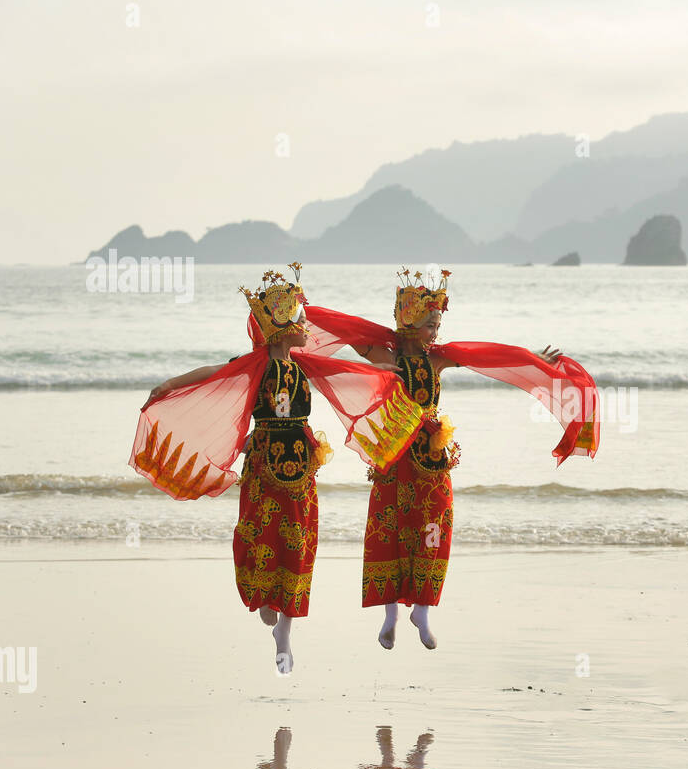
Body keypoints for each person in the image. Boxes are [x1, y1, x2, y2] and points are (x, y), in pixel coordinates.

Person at [131, 264, 418, 674]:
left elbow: (347, 371)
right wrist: (169, 385)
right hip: (264, 462)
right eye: (301, 320)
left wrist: (385, 373)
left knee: (299, 541)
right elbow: (213, 374)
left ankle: (285, 630)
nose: (308, 325)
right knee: (258, 531)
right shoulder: (255, 365)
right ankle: (266, 598)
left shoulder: (305, 364)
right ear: (281, 328)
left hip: (301, 465)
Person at [350, 267, 601, 651]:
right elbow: (346, 337)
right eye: (431, 324)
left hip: (432, 457)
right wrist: (300, 322)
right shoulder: (384, 354)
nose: (436, 332)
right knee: (392, 527)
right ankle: (389, 614)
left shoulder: (438, 360)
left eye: (438, 324)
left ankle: (423, 609)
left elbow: (485, 357)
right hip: (394, 454)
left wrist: (529, 357)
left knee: (434, 526)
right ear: (410, 321)